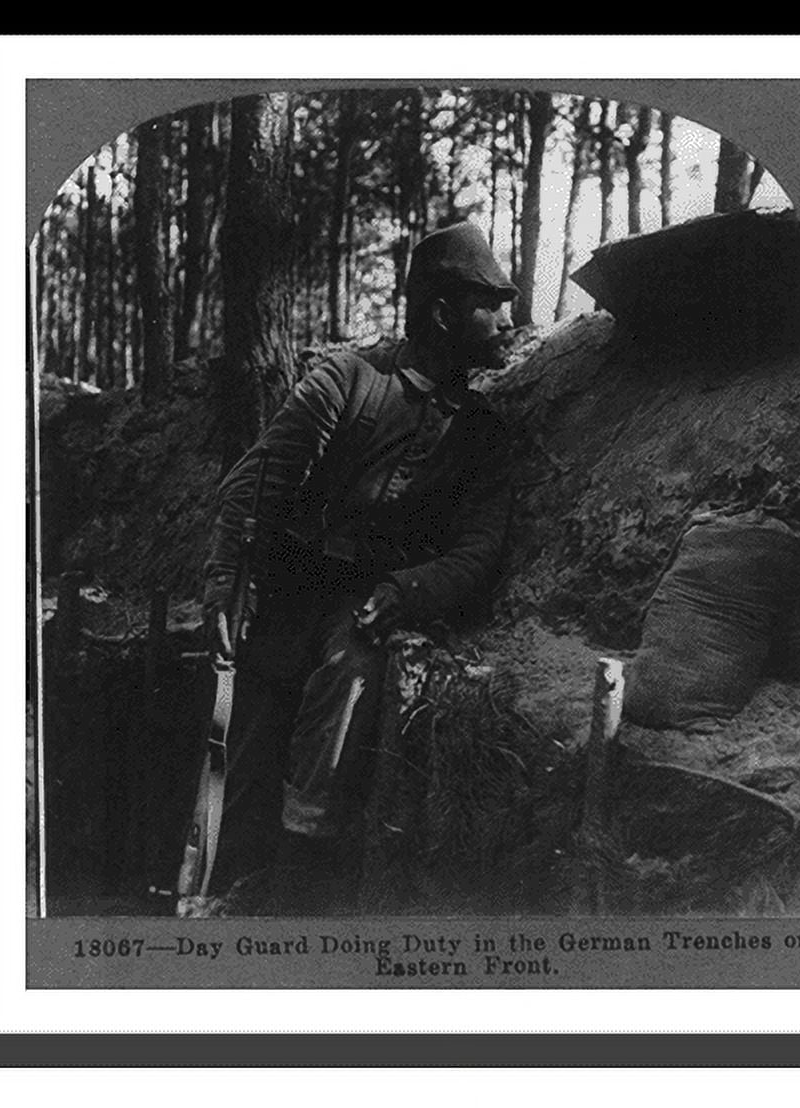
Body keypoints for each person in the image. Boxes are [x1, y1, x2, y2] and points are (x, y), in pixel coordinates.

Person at [199, 220, 518, 901]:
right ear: (441, 312)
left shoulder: (484, 434)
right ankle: (224, 897)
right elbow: (253, 491)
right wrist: (228, 585)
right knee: (245, 756)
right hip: (286, 595)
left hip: (364, 603)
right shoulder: (347, 383)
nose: (507, 320)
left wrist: (411, 589)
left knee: (348, 679)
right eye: (491, 304)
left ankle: (298, 876)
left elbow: (479, 550)